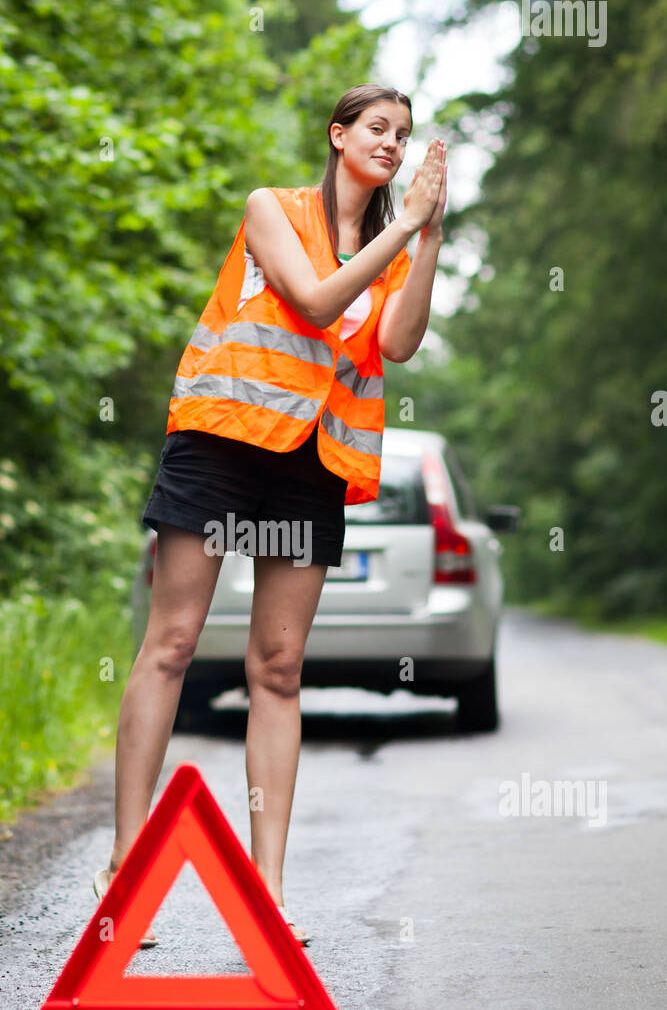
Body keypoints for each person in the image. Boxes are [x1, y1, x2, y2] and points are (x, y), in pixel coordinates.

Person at [95, 84, 447, 947]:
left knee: (280, 668)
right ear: (338, 135)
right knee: (172, 644)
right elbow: (317, 301)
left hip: (311, 461)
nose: (393, 146)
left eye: (404, 135)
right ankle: (124, 866)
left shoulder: (397, 248)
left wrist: (427, 235)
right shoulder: (273, 210)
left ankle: (268, 892)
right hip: (222, 440)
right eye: (378, 129)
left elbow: (396, 344)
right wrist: (405, 229)